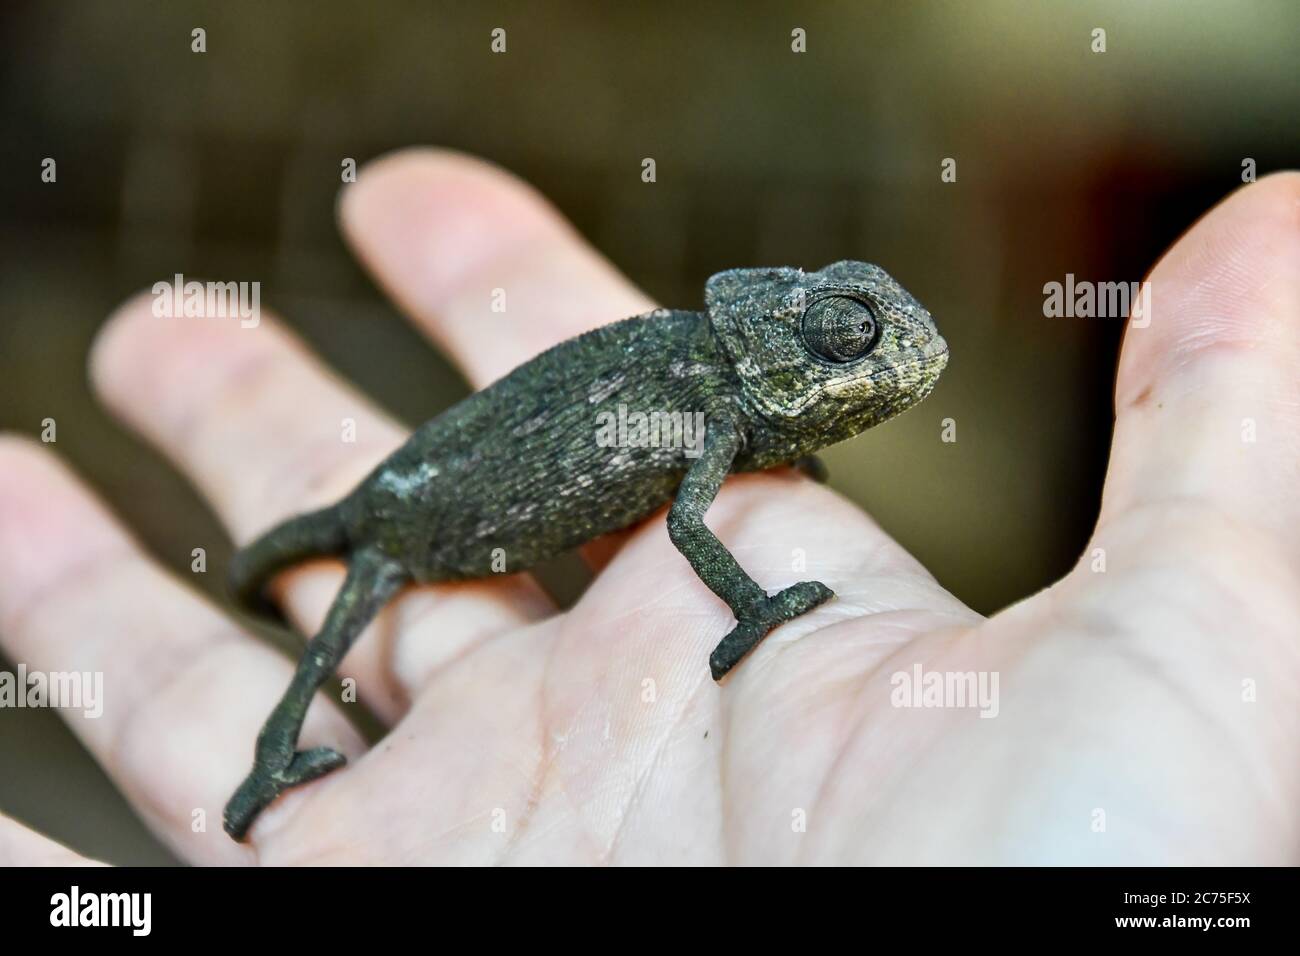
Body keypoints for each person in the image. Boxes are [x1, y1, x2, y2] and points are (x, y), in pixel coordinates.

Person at [0, 151, 1295, 864]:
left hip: (473, 476)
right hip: (432, 509)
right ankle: (270, 760)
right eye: (846, 338)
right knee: (356, 586)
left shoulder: (723, 398)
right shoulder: (709, 399)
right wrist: (753, 608)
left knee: (351, 588)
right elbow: (684, 523)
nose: (881, 359)